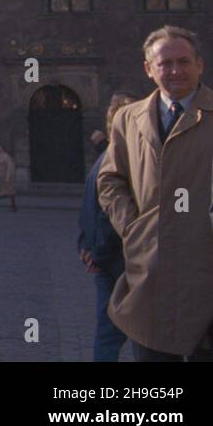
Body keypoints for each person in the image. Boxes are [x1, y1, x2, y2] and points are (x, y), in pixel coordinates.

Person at [98, 26, 213, 361]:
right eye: (165, 63)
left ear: (200, 65)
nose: (175, 70)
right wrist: (133, 228)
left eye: (184, 61)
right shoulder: (128, 119)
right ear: (149, 68)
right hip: (151, 277)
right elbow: (110, 180)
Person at [77, 93, 136, 362]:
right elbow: (107, 216)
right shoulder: (120, 162)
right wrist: (96, 253)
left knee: (108, 333)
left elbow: (86, 212)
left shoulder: (102, 160)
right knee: (134, 331)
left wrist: (86, 248)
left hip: (104, 259)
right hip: (117, 261)